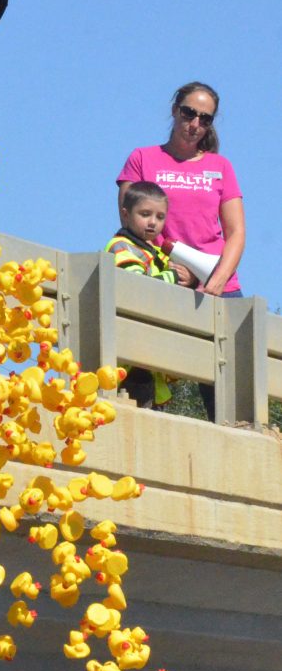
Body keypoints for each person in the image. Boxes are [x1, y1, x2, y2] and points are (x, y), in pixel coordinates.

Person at [116, 81, 245, 419]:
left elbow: (236, 232)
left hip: (217, 287)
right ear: (174, 110)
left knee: (230, 398)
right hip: (160, 279)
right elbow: (130, 222)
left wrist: (214, 282)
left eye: (205, 119)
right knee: (142, 378)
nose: (195, 124)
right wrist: (171, 274)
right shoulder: (142, 158)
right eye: (189, 113)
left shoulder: (221, 167)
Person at [104, 181, 177, 408]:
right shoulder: (122, 247)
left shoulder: (153, 252)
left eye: (160, 217)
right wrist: (173, 278)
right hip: (128, 360)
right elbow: (140, 287)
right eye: (145, 214)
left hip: (147, 354)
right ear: (125, 215)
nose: (153, 222)